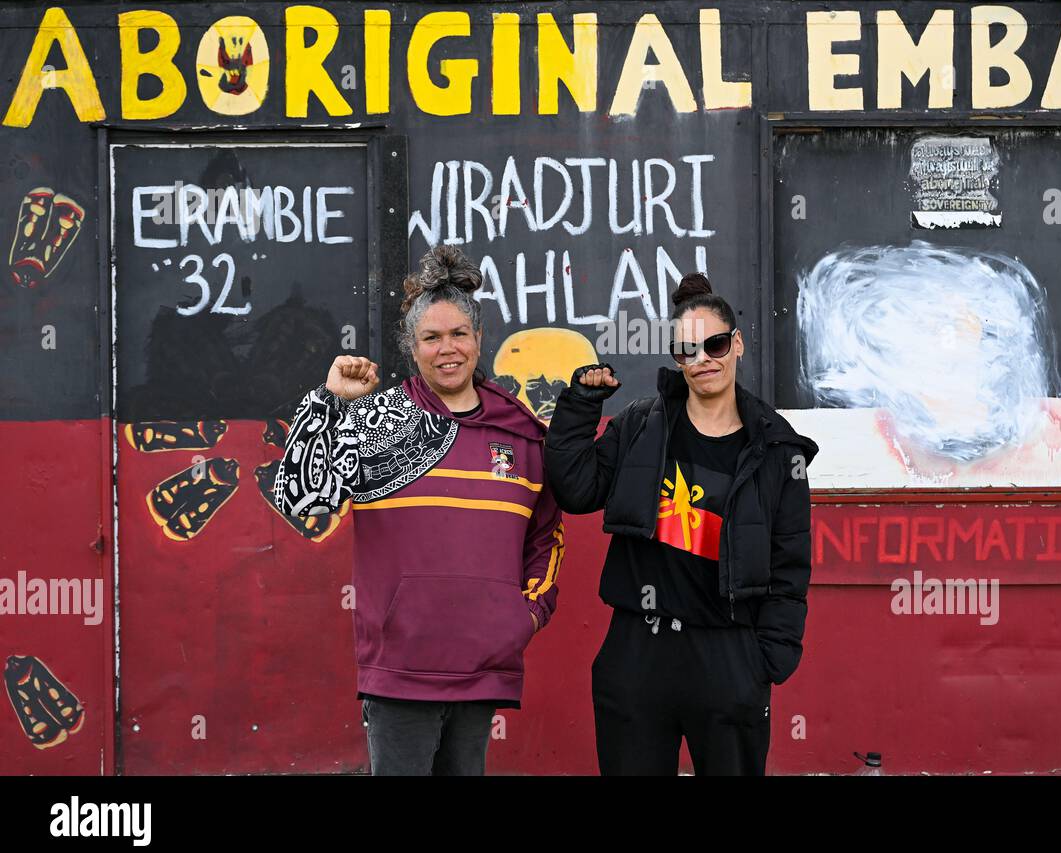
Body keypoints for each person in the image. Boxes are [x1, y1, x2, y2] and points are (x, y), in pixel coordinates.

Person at [273, 246, 563, 776]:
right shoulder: (381, 419)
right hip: (401, 669)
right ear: (412, 347)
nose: (446, 349)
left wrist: (523, 617)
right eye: (431, 338)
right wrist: (331, 404)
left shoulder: (517, 430)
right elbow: (298, 498)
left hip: (483, 665)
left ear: (479, 340)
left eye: (458, 334)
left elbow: (546, 536)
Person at [544, 272, 818, 776]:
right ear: (676, 357)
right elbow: (577, 490)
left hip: (727, 653)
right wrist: (582, 405)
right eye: (687, 350)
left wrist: (764, 663)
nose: (702, 360)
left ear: (736, 345)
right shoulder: (640, 425)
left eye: (714, 344)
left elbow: (790, 564)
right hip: (637, 651)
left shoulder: (778, 451)